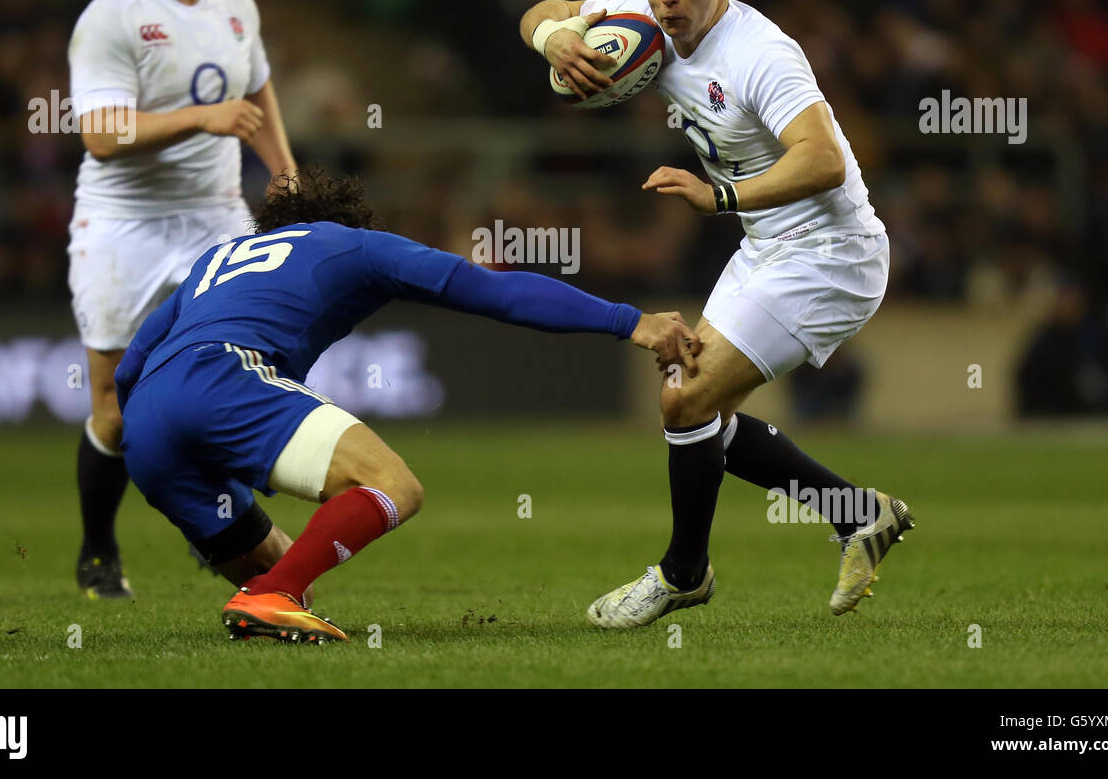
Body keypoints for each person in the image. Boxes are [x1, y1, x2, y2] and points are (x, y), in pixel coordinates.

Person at [519, 0, 912, 626]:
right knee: (691, 404)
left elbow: (823, 161)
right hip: (768, 246)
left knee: (684, 400)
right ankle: (858, 514)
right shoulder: (645, 18)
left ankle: (683, 573)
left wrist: (719, 194)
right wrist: (556, 40)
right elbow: (539, 10)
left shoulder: (761, 53)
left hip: (831, 254)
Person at [114, 165, 702, 643]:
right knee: (393, 486)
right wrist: (630, 321)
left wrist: (164, 460)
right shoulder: (354, 246)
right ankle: (273, 595)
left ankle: (270, 596)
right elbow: (497, 292)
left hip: (146, 421)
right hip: (226, 375)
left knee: (287, 578)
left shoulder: (212, 264)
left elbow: (128, 368)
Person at [66, 0, 297, 598]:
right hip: (124, 226)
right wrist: (202, 117)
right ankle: (99, 550)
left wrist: (284, 173)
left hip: (217, 218)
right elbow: (100, 134)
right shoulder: (112, 15)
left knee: (231, 375)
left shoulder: (236, 8)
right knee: (116, 406)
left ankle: (218, 529)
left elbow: (256, 86)